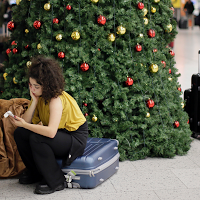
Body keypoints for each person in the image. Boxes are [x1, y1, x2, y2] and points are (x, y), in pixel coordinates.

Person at [9, 56, 88, 194]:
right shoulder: (40, 97)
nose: (32, 89)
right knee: (20, 133)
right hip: (59, 133)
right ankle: (36, 173)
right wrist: (33, 101)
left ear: (47, 85)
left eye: (36, 86)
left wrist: (24, 125)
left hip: (74, 137)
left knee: (37, 138)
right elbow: (25, 123)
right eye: (30, 85)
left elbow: (51, 132)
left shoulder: (55, 100)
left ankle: (56, 181)